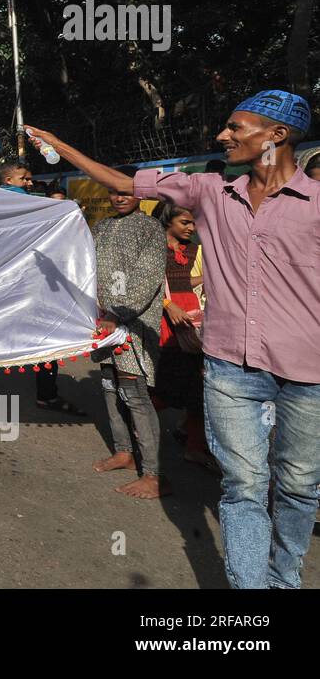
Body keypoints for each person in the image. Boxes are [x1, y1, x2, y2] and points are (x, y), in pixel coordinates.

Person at [28, 89, 320, 588]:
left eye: (235, 127)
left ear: (277, 136)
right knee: (244, 486)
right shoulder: (209, 191)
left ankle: (284, 575)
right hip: (229, 367)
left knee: (297, 487)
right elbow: (122, 181)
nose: (221, 135)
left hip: (307, 374)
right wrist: (60, 144)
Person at [87, 166, 168, 498]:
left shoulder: (151, 230)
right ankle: (123, 451)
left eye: (125, 191)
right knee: (109, 386)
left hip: (134, 327)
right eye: (113, 191)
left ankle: (154, 475)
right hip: (104, 323)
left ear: (141, 193)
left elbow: (146, 281)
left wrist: (118, 315)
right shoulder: (101, 228)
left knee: (136, 397)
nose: (119, 197)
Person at [0, 161, 85, 415]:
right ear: (9, 181)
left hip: (4, 281)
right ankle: (47, 394)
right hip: (32, 282)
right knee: (46, 335)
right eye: (24, 178)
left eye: (29, 178)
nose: (29, 182)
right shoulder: (28, 204)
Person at [152, 202, 214, 470]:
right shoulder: (154, 249)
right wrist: (168, 305)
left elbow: (183, 282)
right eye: (185, 223)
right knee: (165, 386)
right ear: (168, 222)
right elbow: (149, 284)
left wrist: (206, 281)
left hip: (190, 321)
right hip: (164, 323)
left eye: (193, 223)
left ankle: (194, 448)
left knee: (199, 389)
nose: (191, 228)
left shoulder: (192, 250)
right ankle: (140, 443)